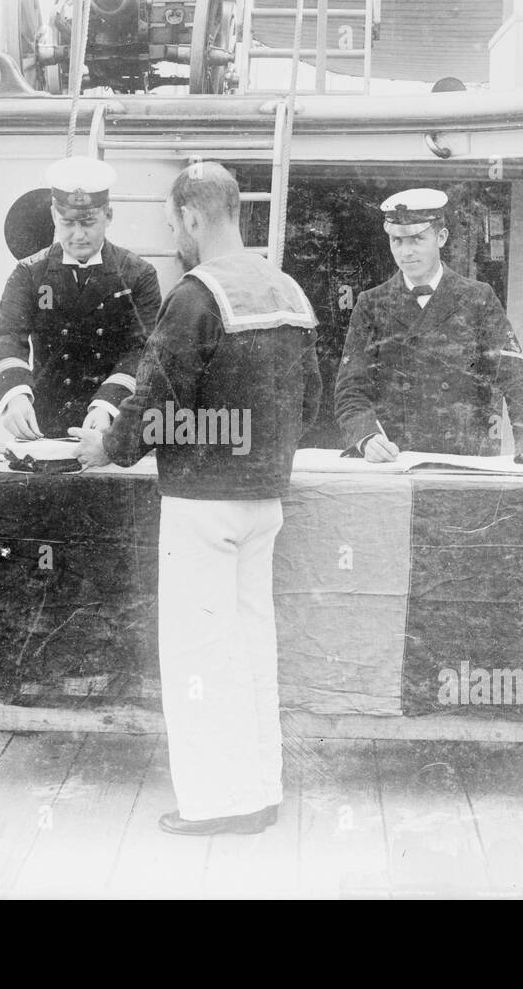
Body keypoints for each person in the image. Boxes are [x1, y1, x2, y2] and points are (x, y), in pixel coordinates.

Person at [72, 162, 321, 835]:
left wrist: (109, 447)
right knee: (252, 644)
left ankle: (218, 804)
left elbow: (157, 396)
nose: (174, 237)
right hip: (265, 500)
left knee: (199, 655)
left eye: (173, 224)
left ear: (191, 218)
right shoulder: (288, 288)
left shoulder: (196, 294)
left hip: (201, 502)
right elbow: (313, 400)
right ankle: (261, 791)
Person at [334, 188, 523, 471]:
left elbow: (515, 379)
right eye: (397, 240)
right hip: (394, 460)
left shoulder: (478, 297)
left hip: (464, 458)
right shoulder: (371, 303)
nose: (406, 251)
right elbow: (350, 389)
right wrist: (366, 438)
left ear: (441, 238)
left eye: (417, 239)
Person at [0, 156, 162, 439]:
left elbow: (143, 350)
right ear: (55, 216)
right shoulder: (29, 274)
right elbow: (7, 337)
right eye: (68, 223)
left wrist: (108, 404)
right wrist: (15, 395)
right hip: (45, 427)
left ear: (109, 216)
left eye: (88, 222)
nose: (78, 235)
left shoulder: (138, 275)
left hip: (114, 424)